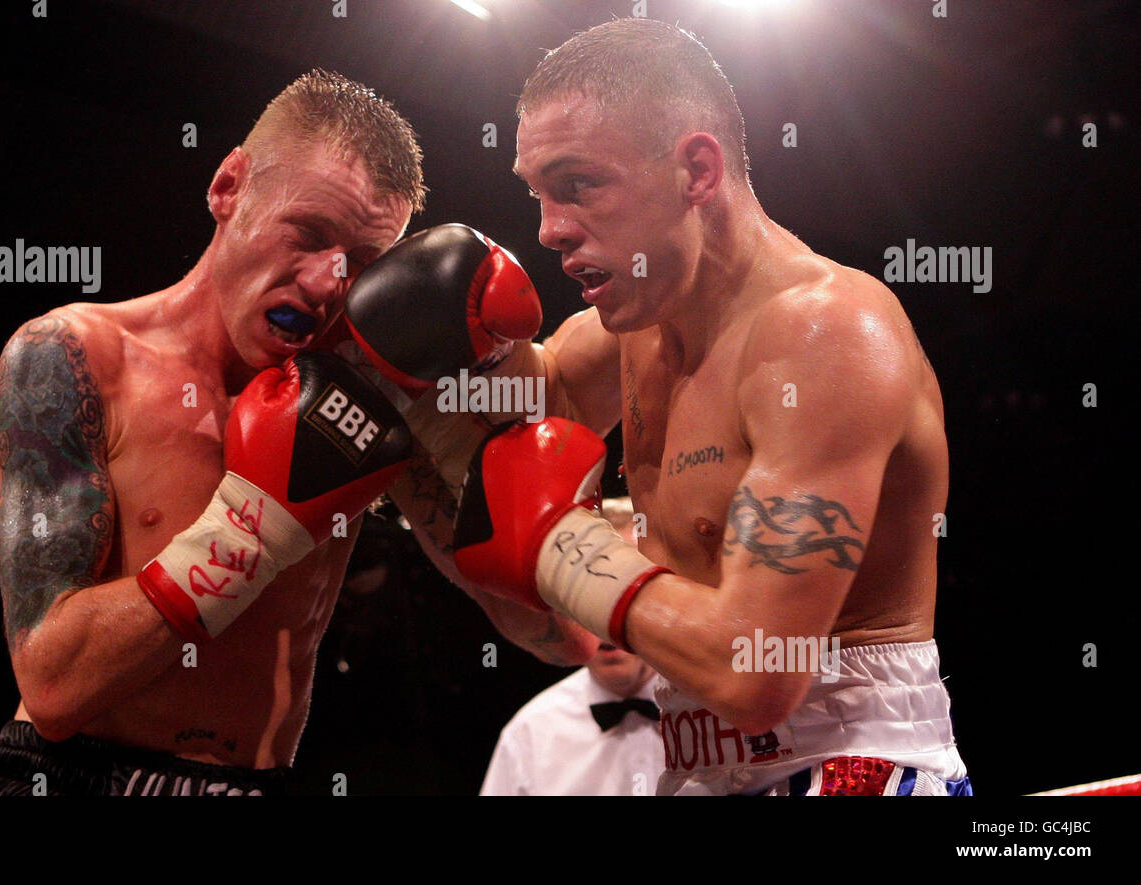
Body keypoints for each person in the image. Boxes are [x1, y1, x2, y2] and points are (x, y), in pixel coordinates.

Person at [401, 19, 970, 796]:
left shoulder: (822, 331)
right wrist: (408, 372)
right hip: (694, 768)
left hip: (847, 765)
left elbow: (757, 667)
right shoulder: (640, 322)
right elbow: (519, 415)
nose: (549, 229)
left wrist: (565, 550)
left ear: (696, 169)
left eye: (579, 185)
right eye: (537, 194)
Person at [0, 69, 574, 796]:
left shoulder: (368, 392)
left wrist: (545, 522)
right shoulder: (74, 359)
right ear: (229, 185)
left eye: (361, 263)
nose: (329, 281)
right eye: (311, 234)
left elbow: (543, 633)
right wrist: (246, 533)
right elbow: (54, 684)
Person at [480, 500, 663, 796]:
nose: (606, 616)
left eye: (625, 590)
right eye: (590, 592)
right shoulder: (531, 732)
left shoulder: (720, 706)